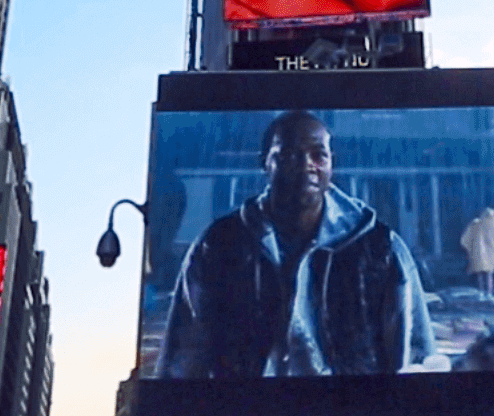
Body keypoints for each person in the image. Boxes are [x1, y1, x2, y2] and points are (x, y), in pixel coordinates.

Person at [155, 110, 441, 378]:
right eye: (290, 154)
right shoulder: (218, 245)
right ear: (265, 162)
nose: (307, 165)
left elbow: (414, 357)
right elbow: (184, 355)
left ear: (331, 163)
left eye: (319, 155)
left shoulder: (381, 246)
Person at [461, 206, 494, 300]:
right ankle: (489, 293)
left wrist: (471, 248)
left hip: (479, 253)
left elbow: (465, 238)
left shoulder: (476, 223)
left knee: (480, 274)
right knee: (489, 274)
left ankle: (482, 292)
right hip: (490, 253)